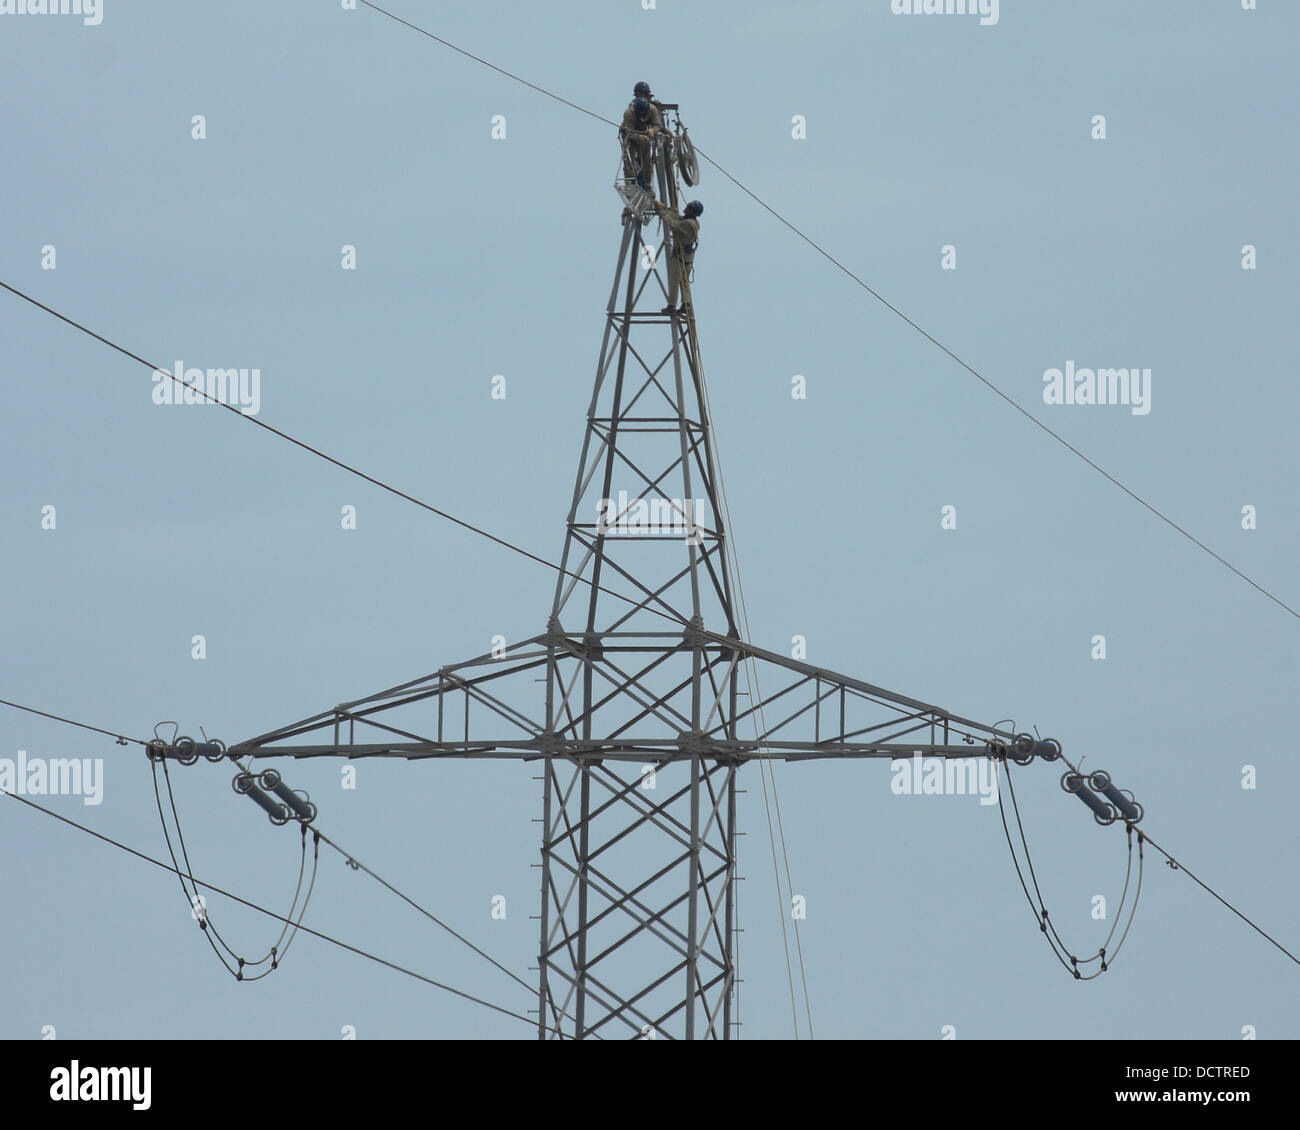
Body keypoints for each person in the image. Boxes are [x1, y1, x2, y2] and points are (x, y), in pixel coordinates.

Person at [654, 199, 703, 315]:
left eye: (690, 208)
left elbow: (672, 223)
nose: (687, 208)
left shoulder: (688, 224)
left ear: (694, 213)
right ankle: (686, 304)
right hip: (687, 256)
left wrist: (661, 211)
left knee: (675, 281)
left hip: (681, 256)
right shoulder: (691, 221)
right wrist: (667, 209)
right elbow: (678, 218)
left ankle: (671, 305)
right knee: (684, 282)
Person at [620, 91, 662, 193]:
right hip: (631, 135)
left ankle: (647, 184)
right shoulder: (629, 113)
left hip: (644, 134)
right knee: (629, 157)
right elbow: (629, 133)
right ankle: (630, 181)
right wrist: (638, 137)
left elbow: (658, 125)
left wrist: (653, 130)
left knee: (646, 158)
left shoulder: (652, 109)